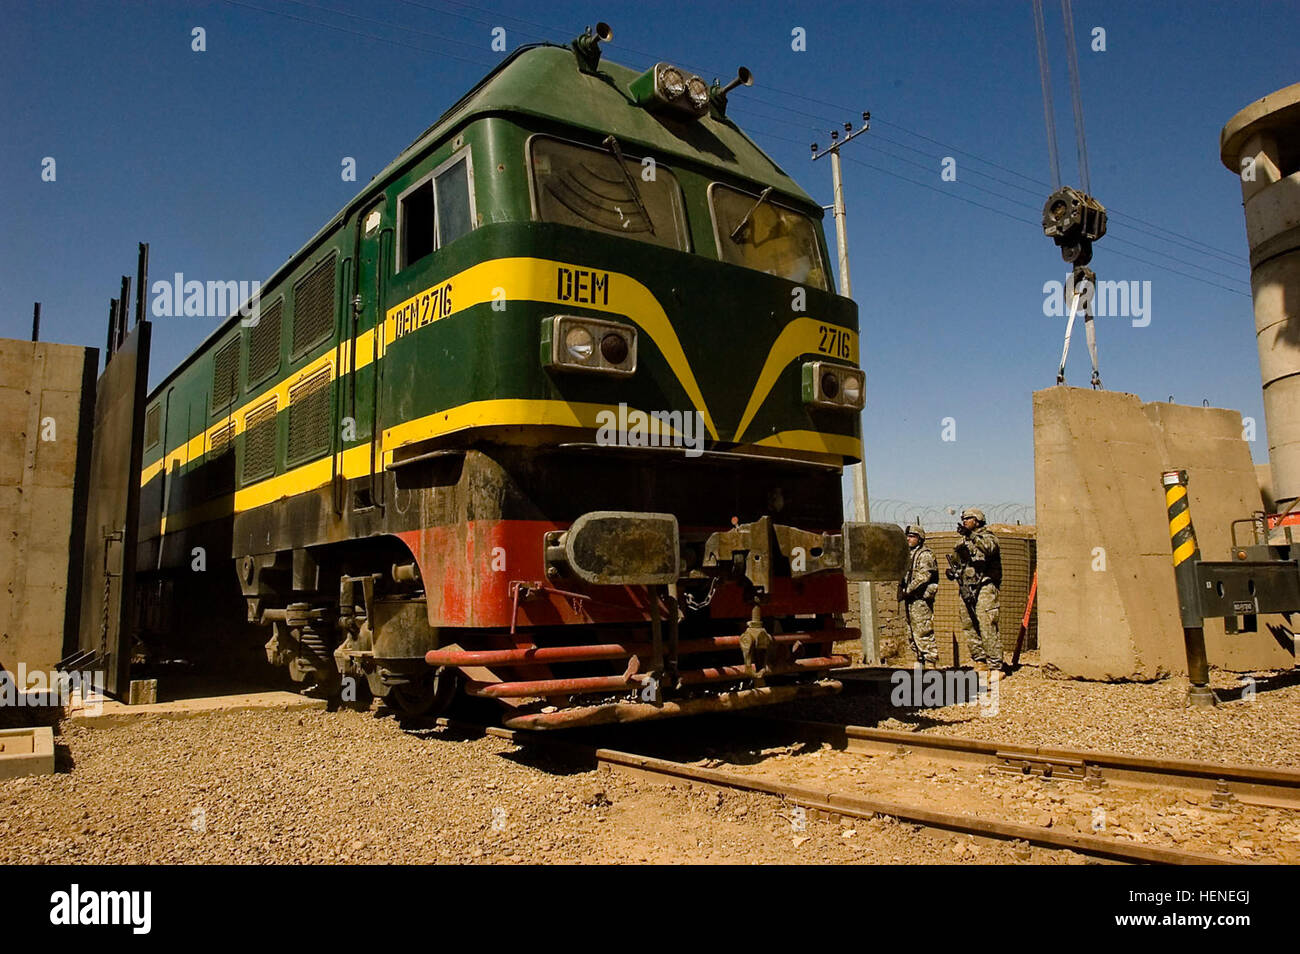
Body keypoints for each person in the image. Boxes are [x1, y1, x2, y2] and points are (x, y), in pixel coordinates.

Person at [947, 507, 1003, 678]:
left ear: (977, 520)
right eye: (963, 519)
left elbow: (989, 548)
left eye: (968, 518)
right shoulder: (962, 542)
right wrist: (952, 571)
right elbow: (956, 562)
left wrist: (971, 536)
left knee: (986, 624)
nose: (965, 521)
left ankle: (995, 666)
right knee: (969, 624)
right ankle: (980, 661)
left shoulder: (989, 537)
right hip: (967, 587)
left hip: (985, 586)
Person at [898, 524, 939, 667]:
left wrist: (907, 590)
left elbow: (923, 577)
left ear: (920, 539)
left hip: (920, 599)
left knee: (923, 631)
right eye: (907, 536)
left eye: (912, 536)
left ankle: (930, 662)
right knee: (911, 632)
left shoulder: (925, 555)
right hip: (910, 599)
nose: (908, 539)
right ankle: (919, 660)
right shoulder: (908, 554)